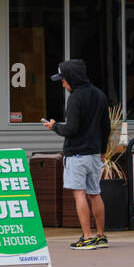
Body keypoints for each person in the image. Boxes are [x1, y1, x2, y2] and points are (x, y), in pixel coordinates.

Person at [43, 59, 111, 250]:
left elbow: (71, 129)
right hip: (95, 154)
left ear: (71, 78)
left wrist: (54, 126)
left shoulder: (75, 98)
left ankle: (87, 237)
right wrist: (103, 150)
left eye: (63, 79)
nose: (63, 83)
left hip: (76, 155)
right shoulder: (99, 95)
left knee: (79, 193)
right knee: (95, 193)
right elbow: (106, 126)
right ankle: (100, 235)